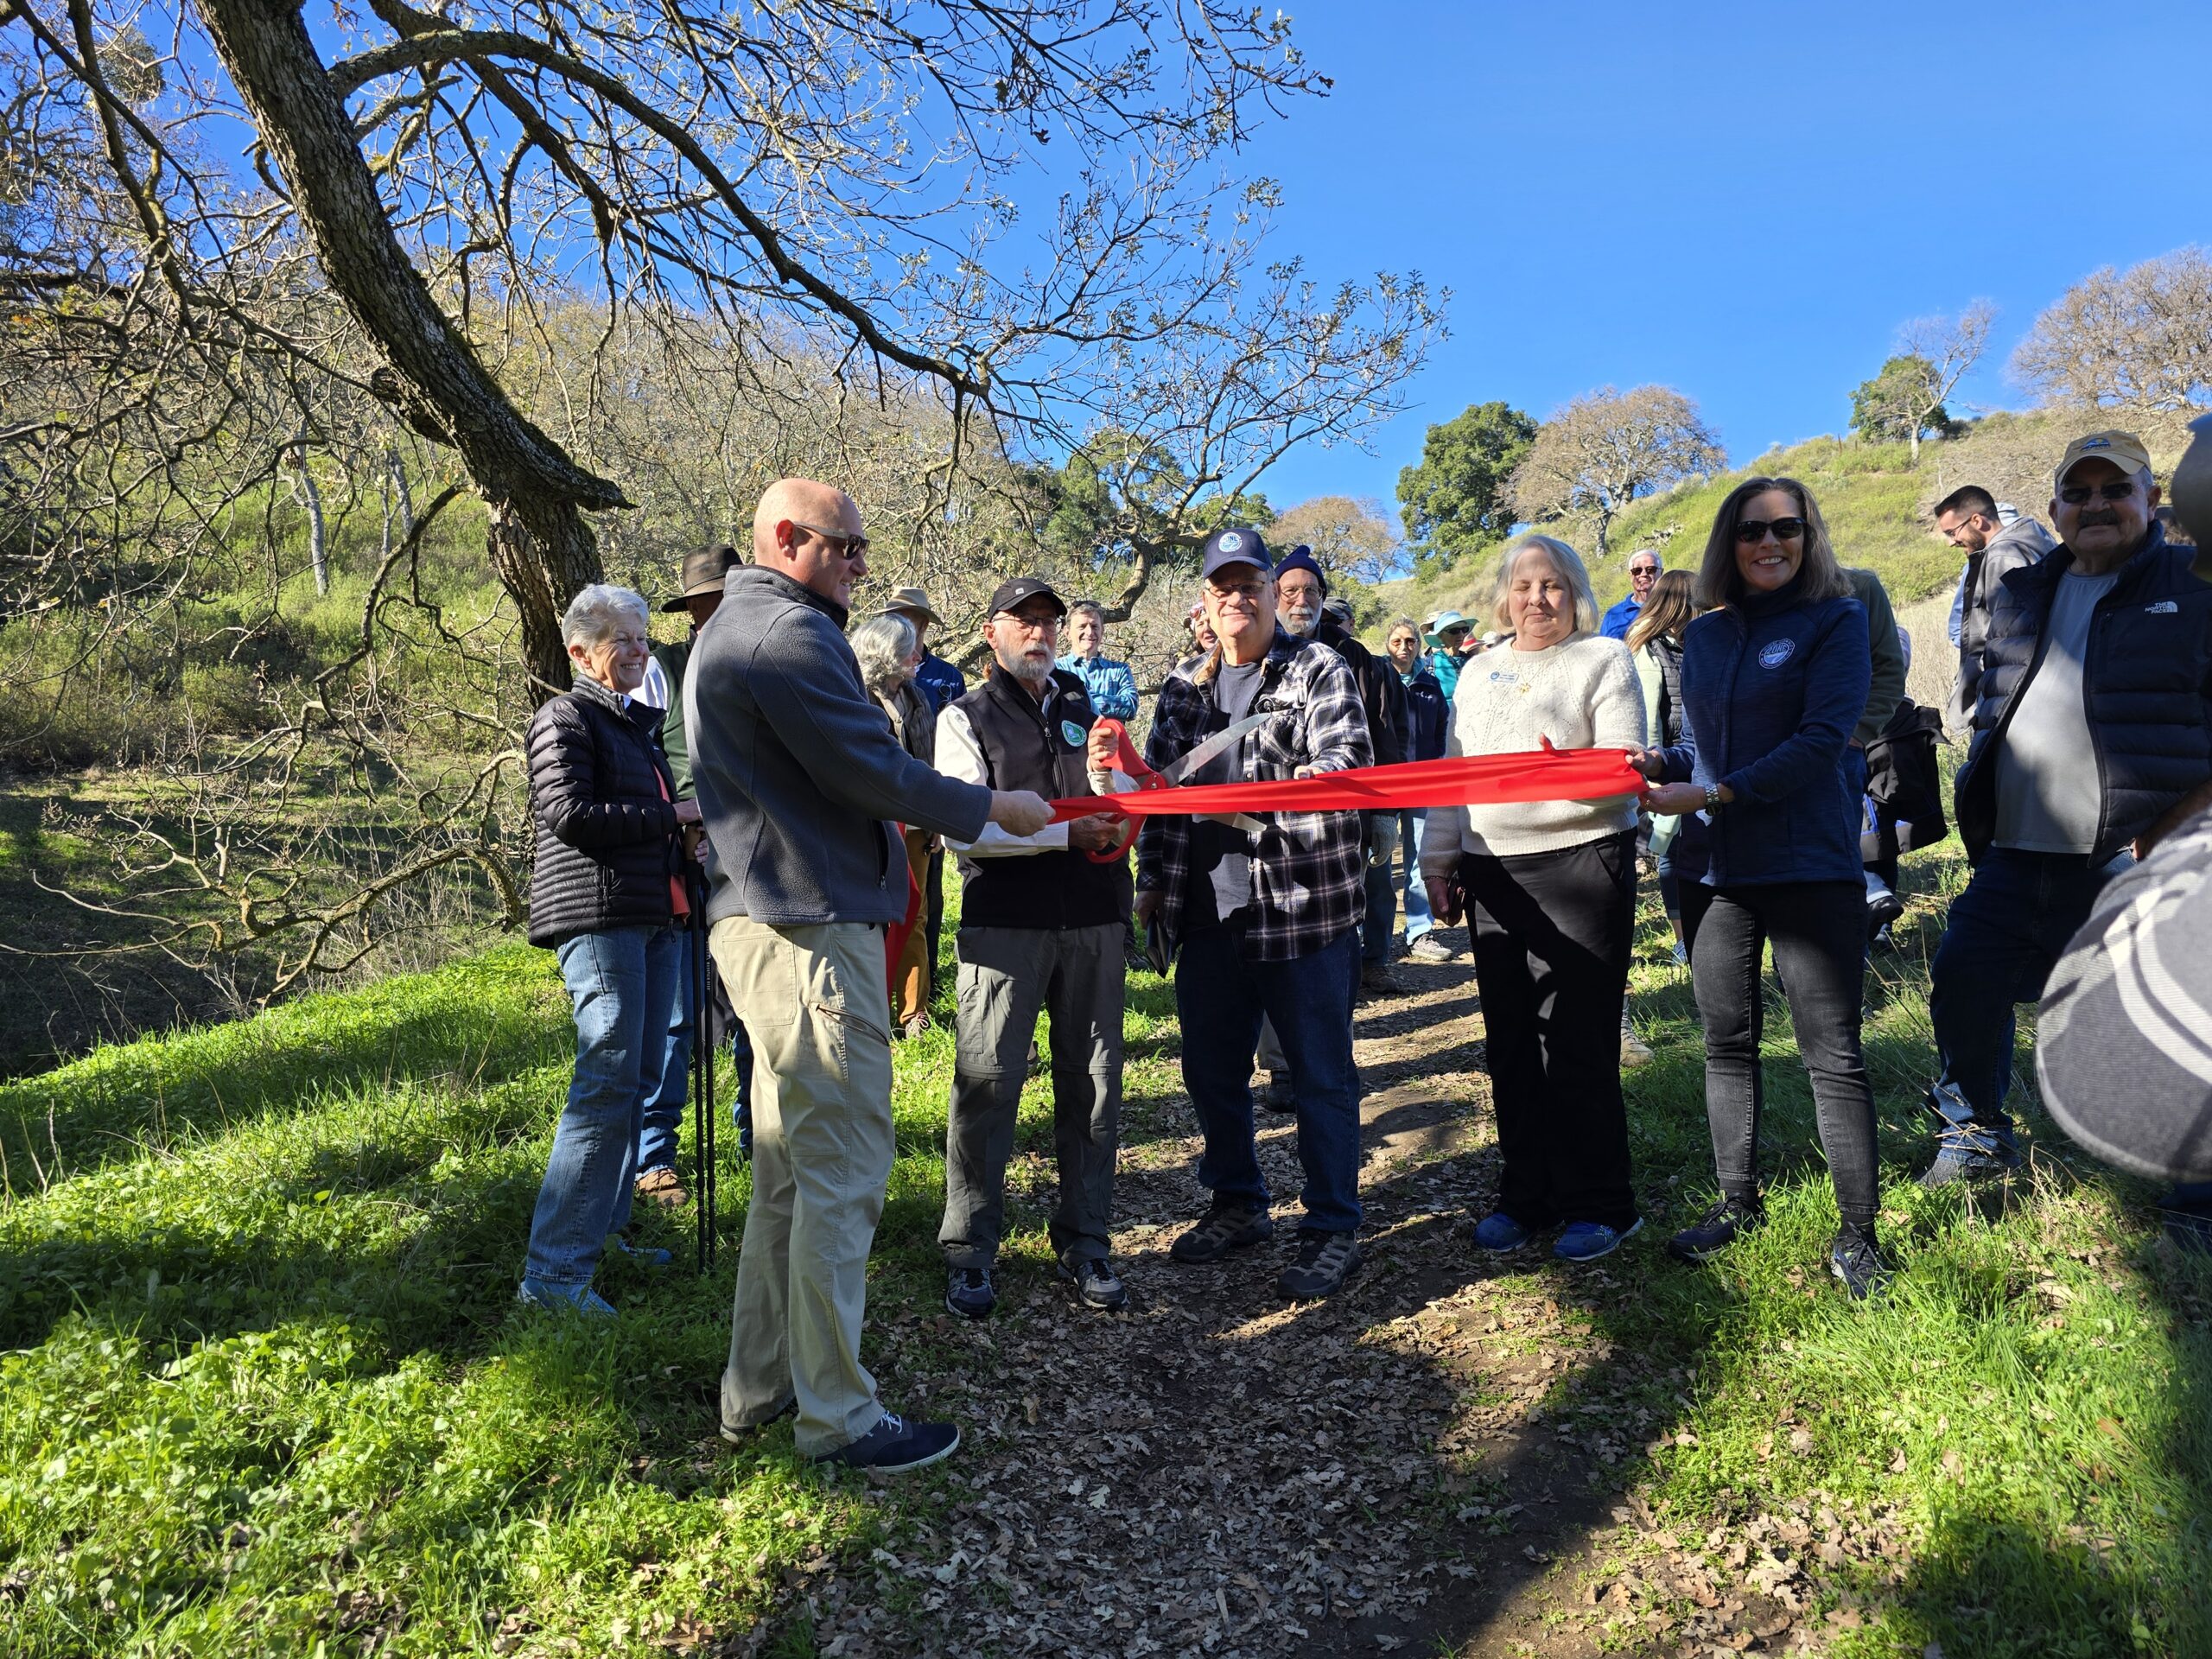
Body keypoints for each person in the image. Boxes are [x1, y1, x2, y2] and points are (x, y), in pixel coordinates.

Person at [686, 477, 1053, 1472]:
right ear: (784, 537)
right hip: (805, 935)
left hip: (769, 928)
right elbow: (868, 770)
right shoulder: (786, 633)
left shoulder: (738, 628)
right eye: (842, 545)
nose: (858, 563)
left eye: (860, 546)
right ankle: (839, 1418)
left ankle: (759, 1390)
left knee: (787, 1178)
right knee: (843, 1170)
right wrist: (991, 808)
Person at [1917, 430, 2212, 1186]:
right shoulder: (2023, 590)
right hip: (2018, 847)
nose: (2096, 505)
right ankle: (1976, 1134)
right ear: (2054, 511)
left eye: (2115, 490)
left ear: (2152, 498)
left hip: (2136, 851)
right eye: (2077, 494)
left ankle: (2195, 1191)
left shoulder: (2195, 584)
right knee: (1966, 979)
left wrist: (2182, 822)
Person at [1634, 475, 1889, 1300]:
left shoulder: (1837, 619)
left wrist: (1712, 793)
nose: (1769, 542)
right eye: (1751, 530)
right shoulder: (1707, 635)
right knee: (1726, 1041)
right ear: (1728, 542)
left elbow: (1822, 741)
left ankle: (1859, 1236)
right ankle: (1736, 1202)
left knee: (1832, 1053)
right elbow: (1700, 748)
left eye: (1786, 527)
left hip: (1808, 861)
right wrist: (1657, 763)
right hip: (1714, 869)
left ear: (1809, 537)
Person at [1138, 526, 1373, 1300]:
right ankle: (1238, 1203)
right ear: (1205, 603)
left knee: (1320, 1075)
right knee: (1211, 1072)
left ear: (1274, 593)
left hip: (1301, 910)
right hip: (1206, 910)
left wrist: (1258, 797)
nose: (1237, 599)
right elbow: (1158, 791)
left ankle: (1333, 1226)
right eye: (1223, 588)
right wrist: (1150, 880)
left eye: (1250, 586)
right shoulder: (1182, 689)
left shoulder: (1319, 670)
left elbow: (1344, 769)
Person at [1422, 536, 1647, 1261]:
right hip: (1491, 871)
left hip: (1583, 862)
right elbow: (1453, 772)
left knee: (1577, 1038)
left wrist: (1548, 772)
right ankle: (1526, 1194)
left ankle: (1601, 1203)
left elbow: (1622, 767)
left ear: (1575, 593)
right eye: (1523, 587)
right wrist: (1438, 860)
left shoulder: (1603, 659)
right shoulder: (1476, 671)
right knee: (1511, 1040)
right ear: (1505, 598)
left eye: (1552, 585)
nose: (1537, 599)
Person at [935, 576, 1130, 1319]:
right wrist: (1063, 835)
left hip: (1094, 917)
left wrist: (1116, 783)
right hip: (1005, 924)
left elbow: (1118, 795)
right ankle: (969, 1251)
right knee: (987, 1084)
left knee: (1095, 1084)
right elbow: (964, 827)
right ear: (991, 633)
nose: (1040, 632)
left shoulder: (1084, 707)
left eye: (1049, 620)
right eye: (1024, 621)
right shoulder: (963, 716)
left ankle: (1087, 1240)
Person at [518, 583, 699, 1316]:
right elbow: (569, 813)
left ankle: (604, 1234)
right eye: (621, 638)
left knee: (636, 1079)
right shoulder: (564, 717)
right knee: (606, 1083)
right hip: (597, 920)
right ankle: (553, 1280)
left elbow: (643, 820)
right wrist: (673, 814)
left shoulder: (634, 725)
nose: (638, 649)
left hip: (652, 915)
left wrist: (681, 839)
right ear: (579, 651)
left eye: (643, 637)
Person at [632, 544, 748, 1207]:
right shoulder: (662, 669)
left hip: (755, 859)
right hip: (681, 854)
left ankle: (760, 1139)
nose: (718, 614)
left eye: (727, 601)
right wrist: (683, 820)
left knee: (755, 1012)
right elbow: (643, 756)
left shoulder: (763, 667)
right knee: (677, 1016)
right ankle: (655, 1156)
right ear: (692, 611)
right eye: (707, 604)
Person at [1274, 548, 1407, 997]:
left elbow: (1385, 733)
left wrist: (1387, 810)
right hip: (1281, 820)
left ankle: (1371, 966)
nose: (1301, 601)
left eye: (1311, 591)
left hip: (1355, 805)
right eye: (1290, 591)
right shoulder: (1258, 653)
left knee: (1366, 892)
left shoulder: (1356, 657)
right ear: (1273, 596)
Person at [852, 613, 940, 1038]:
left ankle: (913, 1011)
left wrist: (935, 817)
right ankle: (870, 1009)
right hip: (872, 826)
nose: (918, 656)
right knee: (870, 917)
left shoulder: (918, 698)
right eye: (909, 650)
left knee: (915, 913)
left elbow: (929, 764)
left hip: (917, 824)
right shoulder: (855, 697)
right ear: (885, 654)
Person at [878, 584, 966, 985]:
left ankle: (922, 990)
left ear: (925, 626)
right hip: (884, 807)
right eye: (898, 619)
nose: (907, 630)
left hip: (928, 802)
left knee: (926, 898)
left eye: (913, 622)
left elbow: (954, 748)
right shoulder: (865, 677)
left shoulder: (948, 677)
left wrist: (941, 813)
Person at [1625, 569, 1705, 965]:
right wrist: (1653, 768)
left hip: (1693, 755)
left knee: (1693, 842)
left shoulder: (1697, 645)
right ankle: (1683, 938)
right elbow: (1646, 712)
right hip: (1668, 759)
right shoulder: (1647, 649)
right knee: (1671, 846)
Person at [1933, 486, 2056, 735]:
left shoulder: (2003, 557)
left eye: (1952, 532)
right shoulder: (2029, 539)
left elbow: (2013, 644)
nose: (1951, 542)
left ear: (1977, 521)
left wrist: (1993, 712)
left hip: (2012, 707)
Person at [1386, 616, 1452, 963]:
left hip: (1423, 782)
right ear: (1387, 645)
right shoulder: (1377, 679)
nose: (1404, 647)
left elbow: (1443, 727)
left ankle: (1419, 931)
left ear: (1419, 645)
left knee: (1418, 859)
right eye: (1397, 641)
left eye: (1410, 641)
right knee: (1378, 863)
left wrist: (1439, 763)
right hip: (1383, 784)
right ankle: (1374, 940)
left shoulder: (1430, 684)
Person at [1058, 599, 1140, 721]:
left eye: (1094, 626)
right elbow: (1054, 707)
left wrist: (1083, 701)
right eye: (1082, 627)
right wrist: (1109, 703)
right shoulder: (1055, 669)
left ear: (1102, 632)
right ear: (1067, 633)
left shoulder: (1119, 670)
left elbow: (1130, 707)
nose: (1089, 632)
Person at [1600, 549, 1662, 641]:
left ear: (1661, 573)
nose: (1644, 574)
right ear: (1630, 576)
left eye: (1650, 570)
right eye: (1637, 571)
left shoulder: (1674, 608)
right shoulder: (1614, 615)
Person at [1424, 611, 1473, 698]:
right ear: (1440, 635)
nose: (1461, 634)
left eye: (1464, 629)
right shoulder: (1430, 664)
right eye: (1454, 630)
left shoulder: (1471, 661)